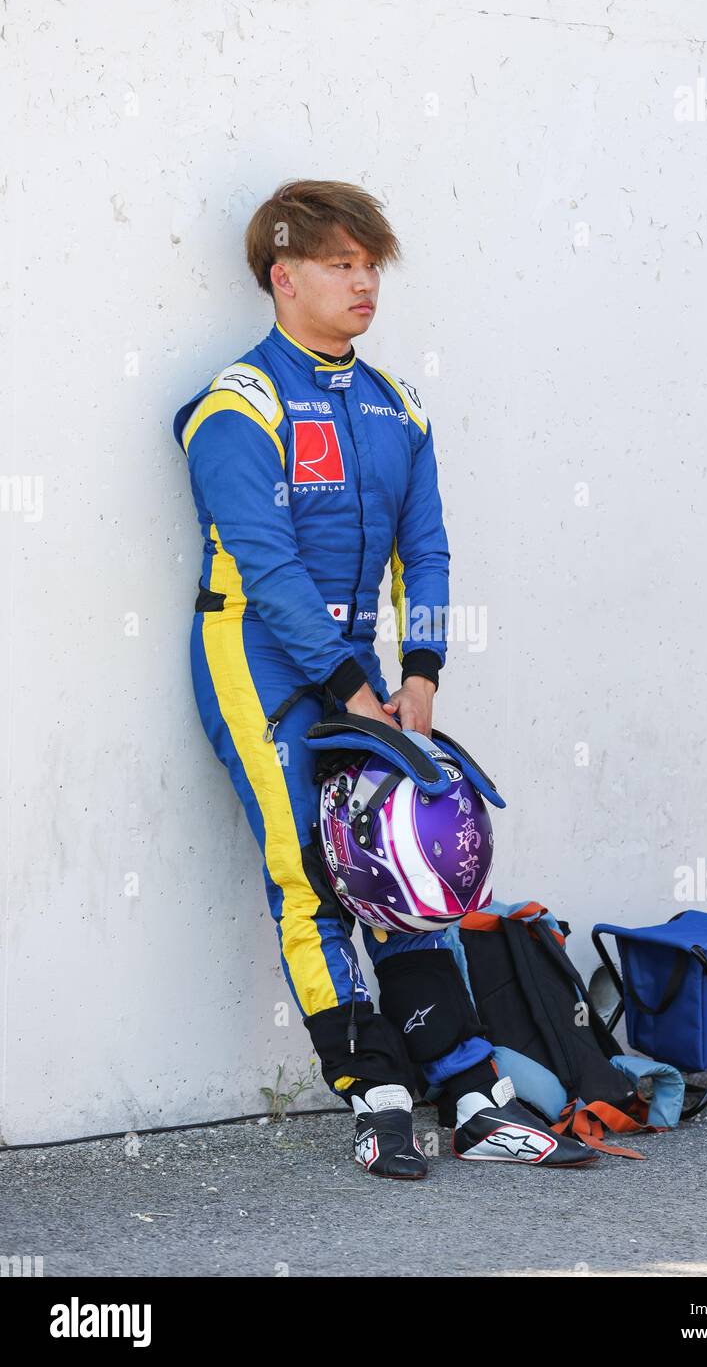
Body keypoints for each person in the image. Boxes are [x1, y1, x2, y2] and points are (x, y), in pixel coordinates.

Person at [173, 180, 595, 1176]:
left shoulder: (395, 403)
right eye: (340, 264)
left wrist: (421, 673)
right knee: (312, 873)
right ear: (283, 277)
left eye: (371, 265)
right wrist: (349, 686)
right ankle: (376, 1092)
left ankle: (469, 1090)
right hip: (259, 659)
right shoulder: (234, 407)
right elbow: (267, 565)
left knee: (405, 872)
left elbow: (428, 549)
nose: (364, 283)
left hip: (371, 673)